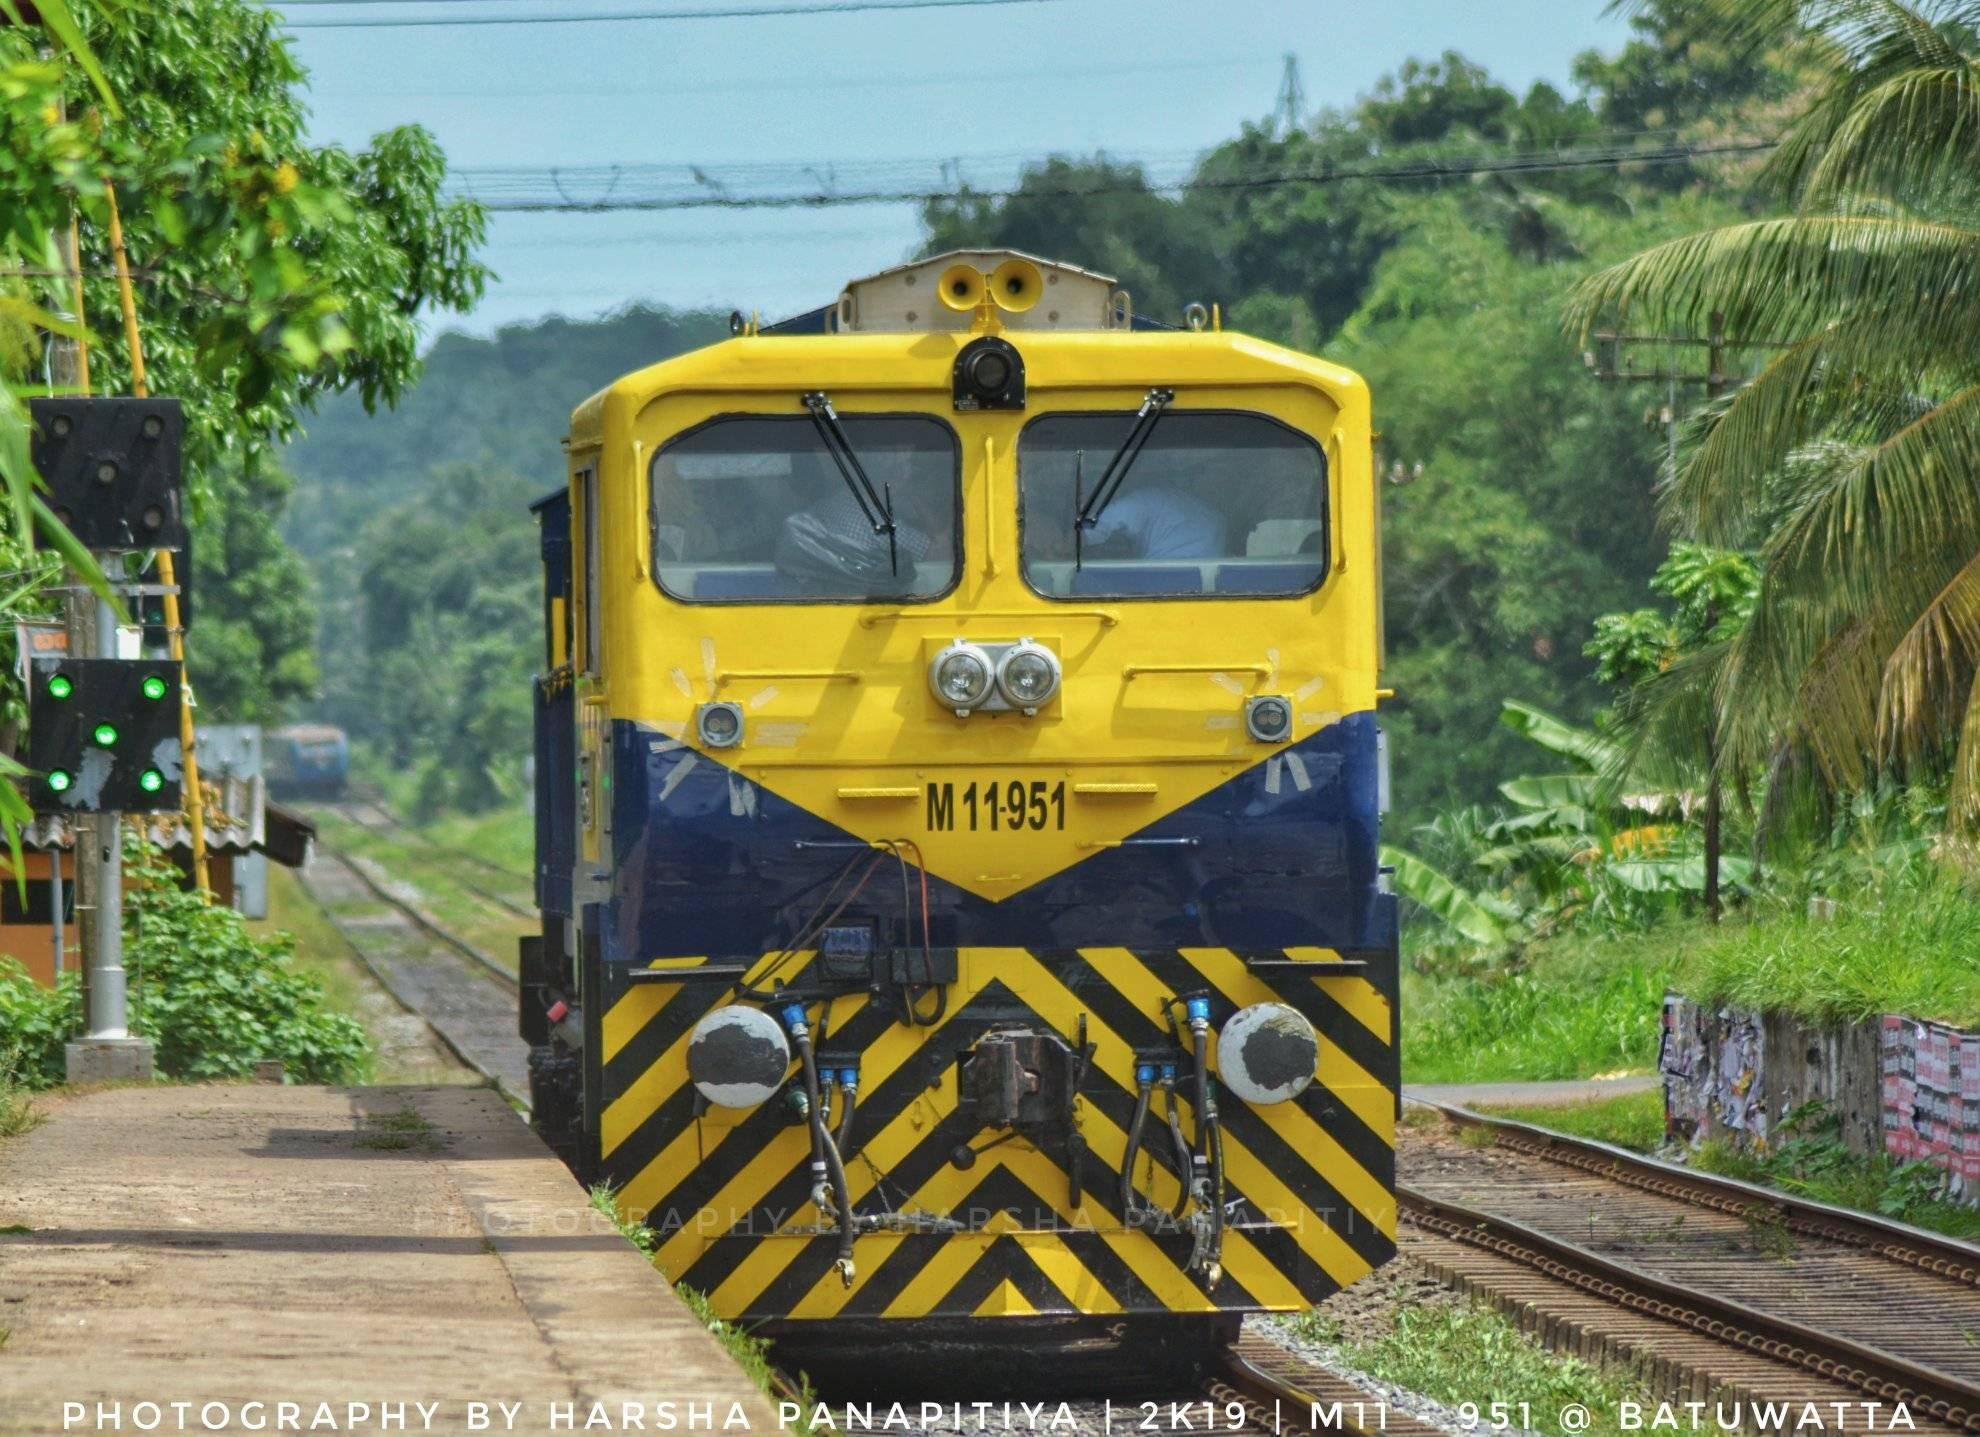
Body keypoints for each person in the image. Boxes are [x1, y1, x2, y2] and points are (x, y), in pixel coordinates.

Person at [1084, 485, 1226, 559]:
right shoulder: (1213, 512)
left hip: (1158, 582)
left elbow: (1086, 533)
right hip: (1212, 592)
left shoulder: (1143, 500)